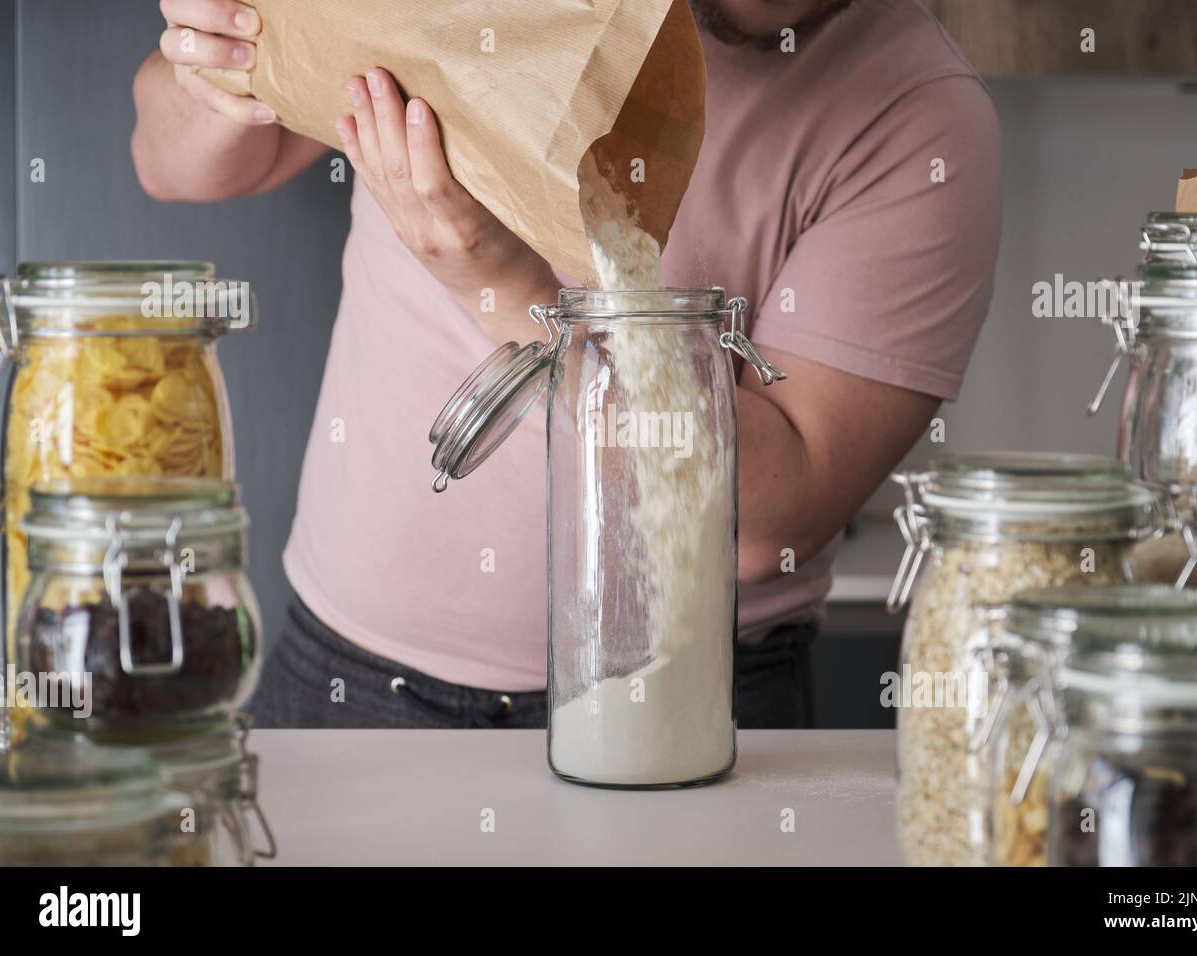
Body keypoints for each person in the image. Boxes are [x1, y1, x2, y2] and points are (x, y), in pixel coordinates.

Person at [132, 0, 1001, 729]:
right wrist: (222, 51)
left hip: (683, 710)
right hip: (345, 680)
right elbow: (173, 165)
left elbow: (765, 524)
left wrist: (499, 284)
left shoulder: (921, 117)